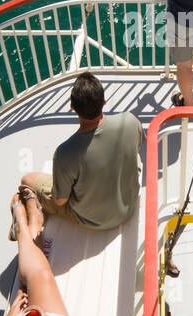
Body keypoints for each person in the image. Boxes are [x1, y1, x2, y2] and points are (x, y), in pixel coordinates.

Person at [20, 73, 143, 232]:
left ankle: (29, 220)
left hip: (92, 220)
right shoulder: (130, 121)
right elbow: (137, 147)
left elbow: (60, 201)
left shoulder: (65, 152)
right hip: (128, 207)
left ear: (72, 107)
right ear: (104, 102)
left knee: (27, 179)